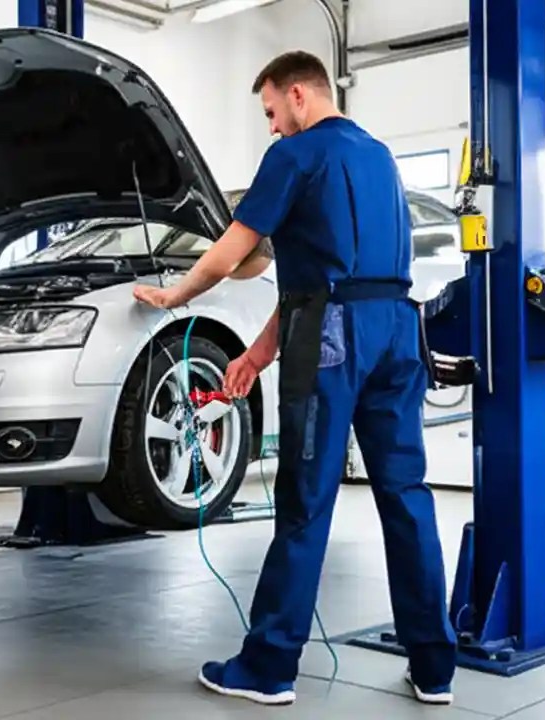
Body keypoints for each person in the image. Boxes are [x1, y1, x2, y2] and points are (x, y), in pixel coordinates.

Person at [132, 50, 458, 707]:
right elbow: (324, 274)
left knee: (305, 502)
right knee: (407, 495)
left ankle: (269, 666)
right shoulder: (379, 157)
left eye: (273, 112)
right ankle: (434, 668)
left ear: (300, 95)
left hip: (334, 339)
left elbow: (230, 252)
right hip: (397, 330)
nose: (273, 127)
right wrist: (256, 355)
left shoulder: (297, 155)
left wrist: (175, 297)